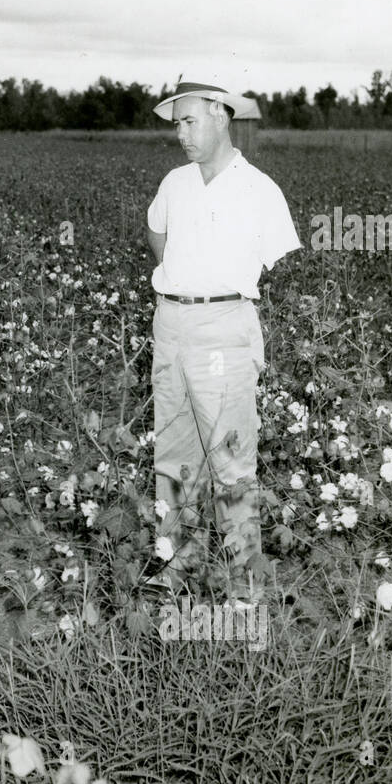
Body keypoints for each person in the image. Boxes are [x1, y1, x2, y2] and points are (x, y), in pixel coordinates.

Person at [144, 80, 300, 606]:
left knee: (231, 460)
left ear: (219, 114)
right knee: (172, 455)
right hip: (171, 324)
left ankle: (242, 588)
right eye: (176, 125)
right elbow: (158, 240)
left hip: (224, 328)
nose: (181, 135)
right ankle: (176, 564)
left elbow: (270, 258)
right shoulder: (174, 183)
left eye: (189, 122)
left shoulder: (260, 189)